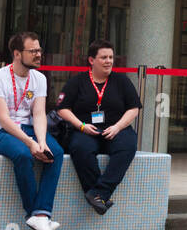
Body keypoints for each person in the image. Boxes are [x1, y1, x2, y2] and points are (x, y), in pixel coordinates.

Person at [0, 32, 63, 230]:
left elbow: (38, 114)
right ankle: (33, 213)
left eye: (39, 50)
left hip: (26, 129)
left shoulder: (39, 78)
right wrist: (30, 143)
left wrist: (41, 142)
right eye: (33, 51)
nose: (38, 54)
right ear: (17, 54)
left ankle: (42, 213)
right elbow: (3, 119)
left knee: (56, 152)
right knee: (23, 154)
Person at [54, 39, 141, 215]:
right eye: (103, 57)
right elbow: (62, 108)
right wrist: (81, 126)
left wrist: (117, 127)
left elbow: (134, 108)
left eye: (111, 57)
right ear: (92, 60)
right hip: (86, 129)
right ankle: (99, 196)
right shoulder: (77, 82)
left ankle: (98, 193)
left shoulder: (121, 81)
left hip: (116, 129)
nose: (108, 61)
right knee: (80, 148)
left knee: (127, 146)